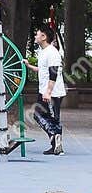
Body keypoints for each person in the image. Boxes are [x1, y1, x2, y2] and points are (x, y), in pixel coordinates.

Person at [34, 25, 67, 155]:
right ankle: (55, 141)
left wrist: (48, 91)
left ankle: (56, 143)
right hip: (44, 90)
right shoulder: (43, 52)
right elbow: (42, 69)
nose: (35, 36)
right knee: (39, 115)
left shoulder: (52, 52)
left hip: (52, 92)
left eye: (37, 34)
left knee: (52, 118)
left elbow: (53, 73)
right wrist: (27, 65)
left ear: (44, 37)